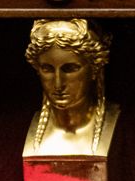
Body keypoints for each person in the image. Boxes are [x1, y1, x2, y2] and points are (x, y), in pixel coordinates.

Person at [23, 18, 119, 157]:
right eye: (47, 69)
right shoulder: (23, 127)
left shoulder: (118, 122)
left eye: (70, 69)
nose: (58, 84)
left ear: (94, 69)